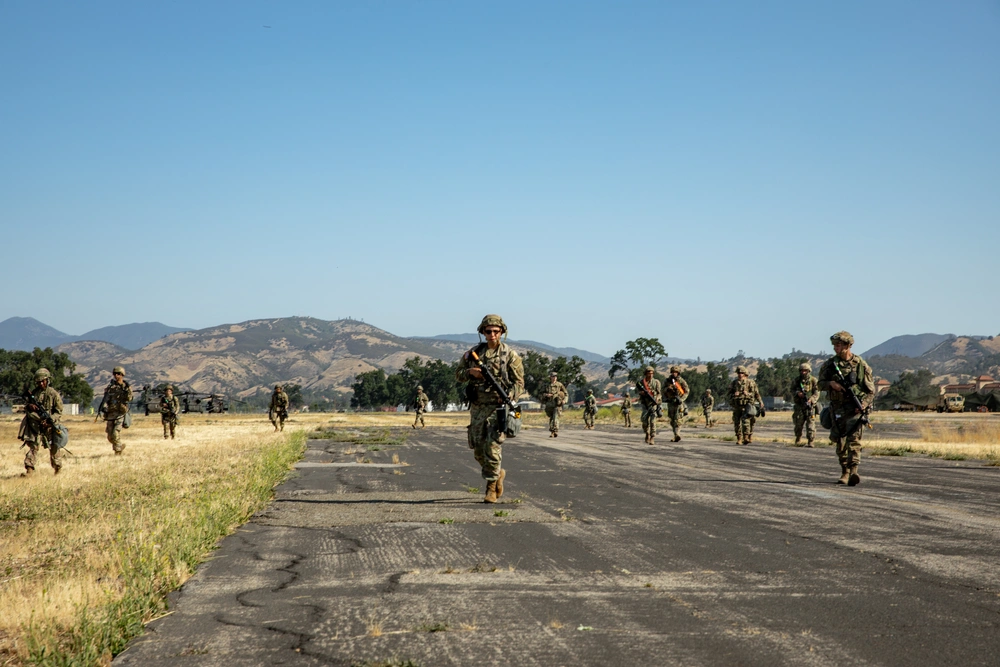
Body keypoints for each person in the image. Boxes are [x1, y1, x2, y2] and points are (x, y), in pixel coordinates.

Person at [455, 314, 524, 504]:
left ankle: (491, 488)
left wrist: (511, 395)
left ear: (502, 332)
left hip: (498, 407)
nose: (492, 334)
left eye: (496, 331)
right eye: (488, 331)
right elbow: (458, 375)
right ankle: (497, 474)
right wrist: (471, 372)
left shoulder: (510, 355)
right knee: (478, 449)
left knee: (492, 448)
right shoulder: (473, 354)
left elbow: (519, 383)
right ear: (482, 332)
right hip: (478, 407)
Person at [818, 331, 875, 486]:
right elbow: (819, 384)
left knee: (854, 442)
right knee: (840, 443)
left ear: (848, 345)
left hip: (855, 411)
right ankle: (845, 471)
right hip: (837, 410)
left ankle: (854, 471)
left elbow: (871, 391)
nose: (836, 348)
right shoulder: (830, 365)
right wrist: (831, 384)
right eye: (834, 345)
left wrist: (862, 405)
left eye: (839, 345)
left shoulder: (861, 365)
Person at [18, 368, 64, 476]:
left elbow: (59, 412)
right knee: (34, 446)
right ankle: (29, 470)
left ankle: (58, 469)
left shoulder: (53, 394)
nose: (41, 384)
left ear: (47, 380)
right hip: (36, 425)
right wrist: (30, 406)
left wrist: (50, 420)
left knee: (54, 447)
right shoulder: (34, 394)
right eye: (39, 382)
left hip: (49, 425)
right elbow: (27, 406)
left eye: (43, 381)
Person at [101, 366, 133, 455]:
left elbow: (129, 399)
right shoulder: (111, 387)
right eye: (114, 374)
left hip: (120, 413)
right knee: (110, 437)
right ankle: (119, 445)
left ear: (122, 375)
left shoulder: (126, 387)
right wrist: (104, 408)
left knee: (116, 433)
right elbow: (106, 399)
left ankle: (118, 451)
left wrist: (127, 391)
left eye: (118, 374)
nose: (116, 375)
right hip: (111, 413)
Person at [727, 366, 762, 445]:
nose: (740, 374)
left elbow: (756, 393)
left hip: (748, 405)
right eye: (739, 373)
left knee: (747, 421)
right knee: (737, 422)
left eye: (742, 373)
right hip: (737, 405)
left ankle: (746, 437)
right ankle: (739, 438)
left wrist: (760, 402)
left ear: (745, 374)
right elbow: (728, 395)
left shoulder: (751, 382)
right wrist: (734, 395)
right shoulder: (734, 383)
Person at [792, 363, 820, 447]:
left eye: (805, 371)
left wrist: (811, 399)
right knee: (798, 424)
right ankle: (798, 439)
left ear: (809, 371)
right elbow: (792, 390)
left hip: (810, 406)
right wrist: (798, 393)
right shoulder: (797, 381)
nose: (803, 372)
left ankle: (811, 441)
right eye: (802, 371)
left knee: (811, 425)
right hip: (799, 406)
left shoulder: (813, 380)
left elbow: (817, 392)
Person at [635, 366, 662, 445]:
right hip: (645, 404)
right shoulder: (642, 382)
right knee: (644, 422)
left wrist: (657, 399)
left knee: (653, 421)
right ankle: (647, 433)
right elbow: (638, 391)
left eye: (652, 373)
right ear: (645, 374)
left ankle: (652, 437)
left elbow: (659, 393)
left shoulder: (656, 382)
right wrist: (641, 393)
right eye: (649, 373)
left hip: (653, 404)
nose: (650, 375)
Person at [663, 366, 689, 442]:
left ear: (678, 373)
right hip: (671, 402)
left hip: (679, 402)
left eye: (676, 372)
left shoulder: (681, 381)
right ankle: (675, 434)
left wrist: (682, 399)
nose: (674, 373)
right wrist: (668, 388)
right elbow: (662, 390)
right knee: (672, 420)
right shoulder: (668, 381)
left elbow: (687, 391)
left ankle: (677, 434)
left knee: (678, 419)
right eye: (673, 372)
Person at [540, 371, 567, 437]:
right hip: (549, 404)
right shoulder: (546, 385)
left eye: (555, 376)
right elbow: (541, 394)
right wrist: (546, 395)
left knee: (555, 417)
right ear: (550, 377)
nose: (554, 378)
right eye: (553, 376)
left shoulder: (559, 385)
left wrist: (564, 400)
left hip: (557, 404)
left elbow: (566, 394)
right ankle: (552, 430)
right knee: (551, 418)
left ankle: (554, 431)